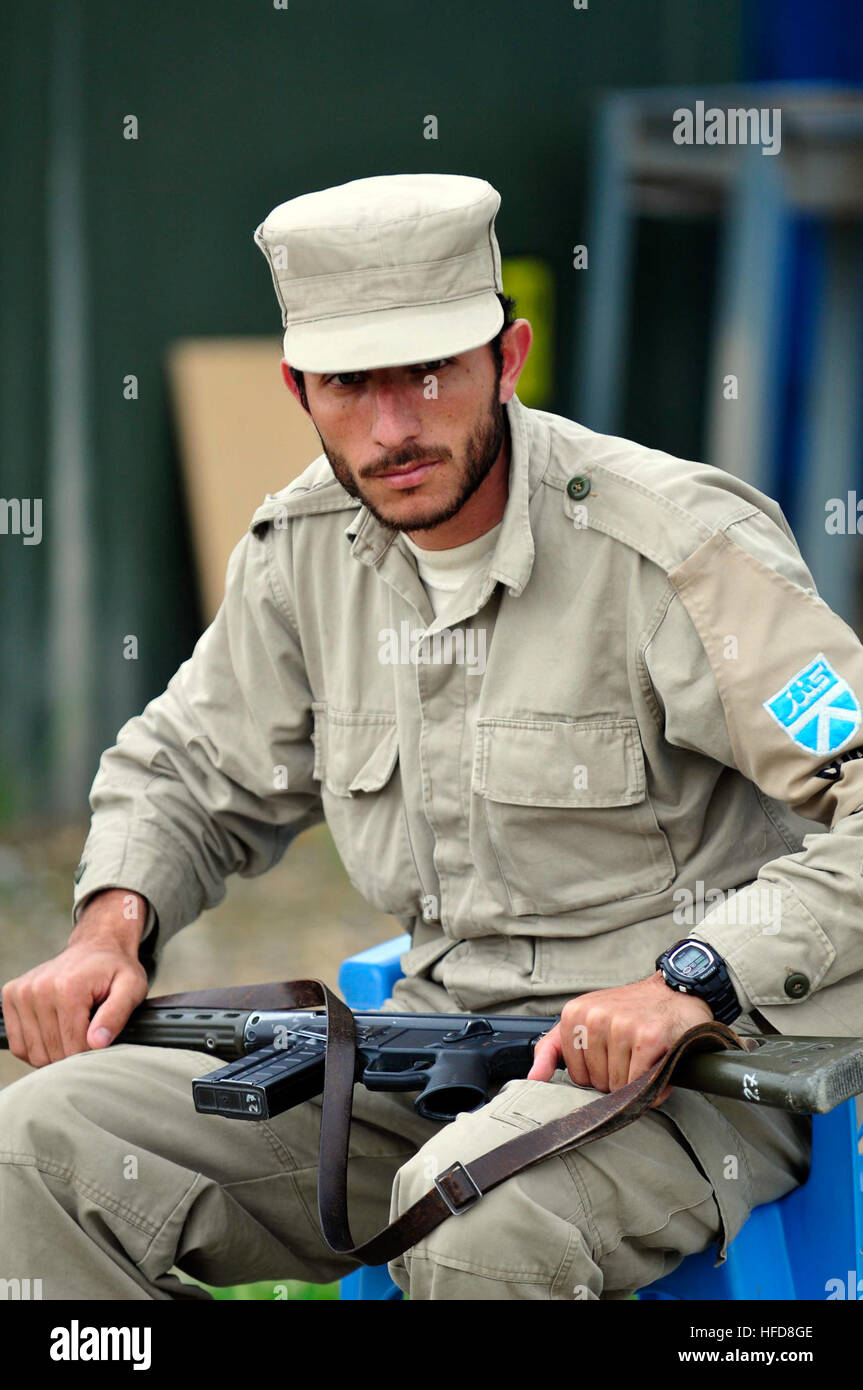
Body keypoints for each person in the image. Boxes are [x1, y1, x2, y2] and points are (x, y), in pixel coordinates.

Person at [1, 172, 861, 1301]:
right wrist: (109, 929)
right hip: (432, 1052)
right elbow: (189, 773)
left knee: (468, 1229)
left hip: (688, 1079)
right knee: (34, 1146)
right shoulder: (298, 550)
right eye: (350, 386)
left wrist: (690, 979)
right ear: (296, 386)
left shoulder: (672, 548)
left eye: (429, 374)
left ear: (507, 357)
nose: (393, 425)